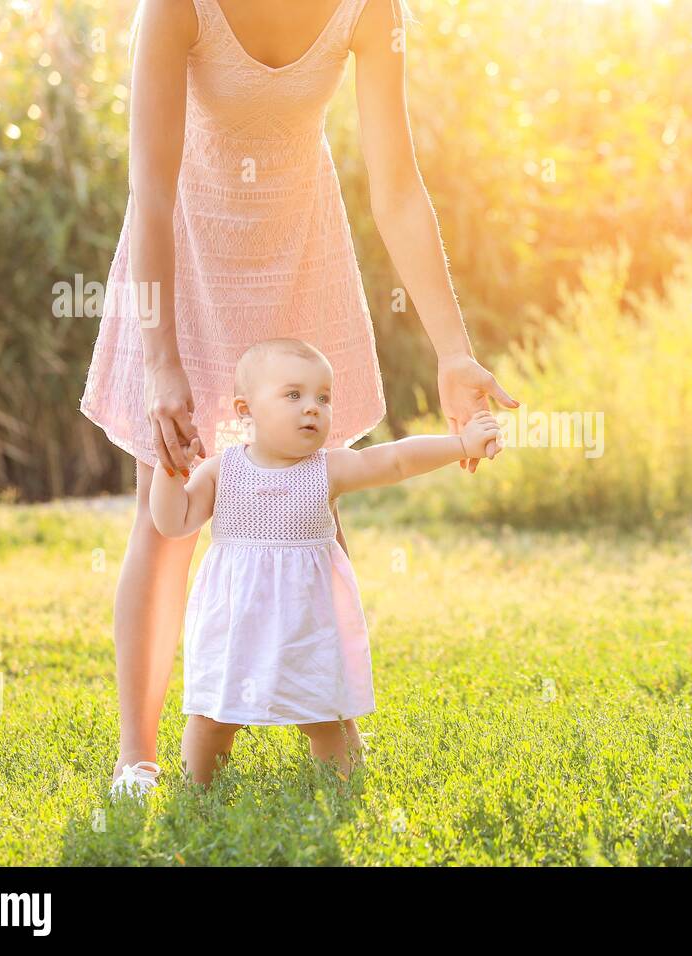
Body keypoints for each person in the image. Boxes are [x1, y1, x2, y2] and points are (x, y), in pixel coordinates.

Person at [79, 0, 516, 797]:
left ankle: (331, 736)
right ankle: (137, 759)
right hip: (189, 251)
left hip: (299, 248)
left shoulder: (369, 8)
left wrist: (455, 352)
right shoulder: (177, 7)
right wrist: (161, 359)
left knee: (315, 500)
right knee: (164, 505)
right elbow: (149, 192)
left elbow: (398, 188)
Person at [150, 338, 502, 787]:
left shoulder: (327, 469)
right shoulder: (221, 470)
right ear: (245, 409)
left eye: (323, 397)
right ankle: (198, 794)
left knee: (328, 718)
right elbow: (173, 520)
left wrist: (462, 444)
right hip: (236, 625)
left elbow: (394, 460)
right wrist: (171, 470)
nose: (312, 408)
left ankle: (343, 790)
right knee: (213, 717)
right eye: (293, 395)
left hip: (308, 624)